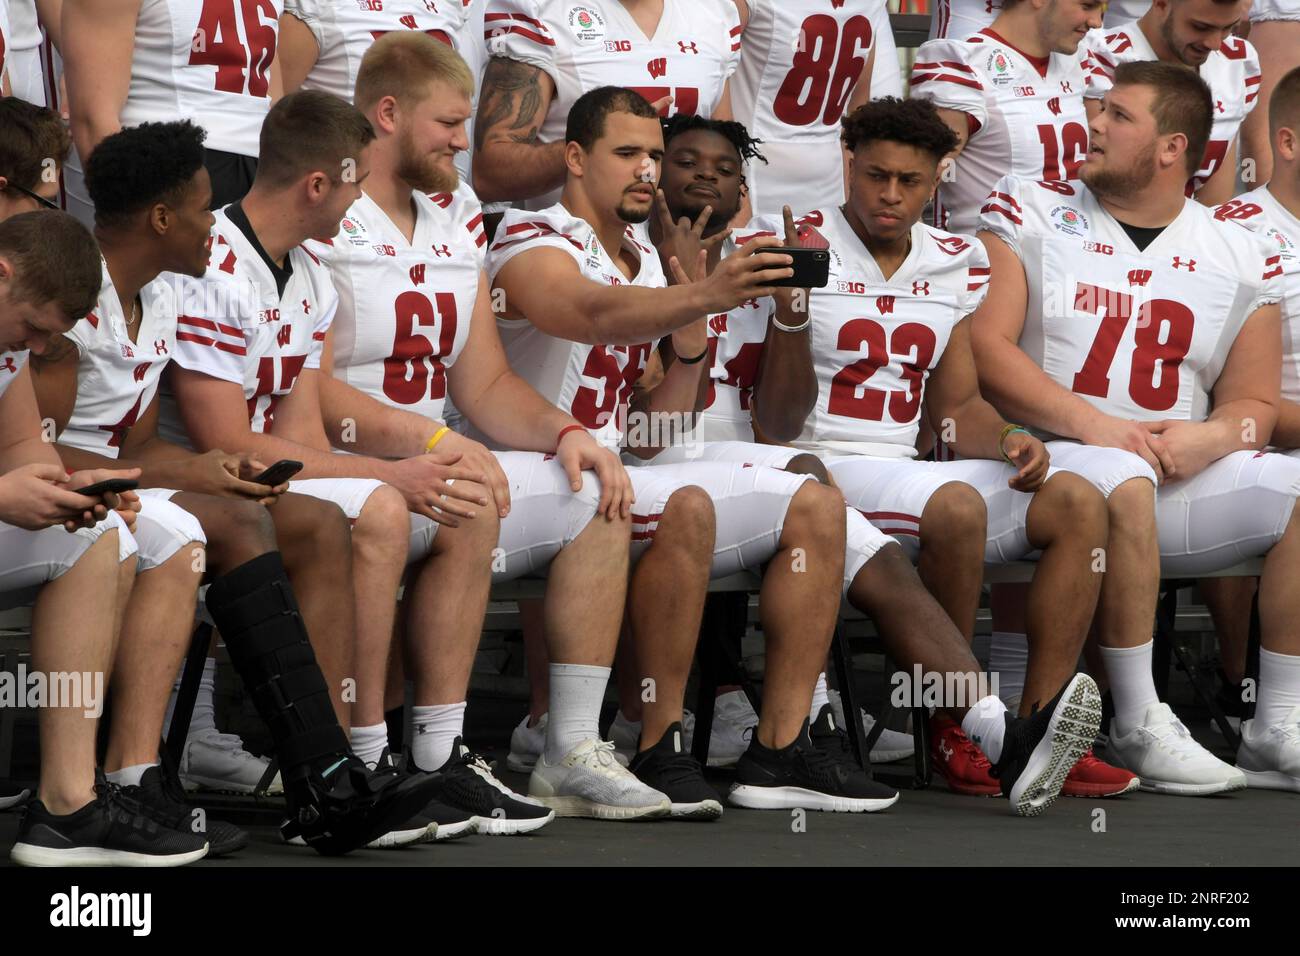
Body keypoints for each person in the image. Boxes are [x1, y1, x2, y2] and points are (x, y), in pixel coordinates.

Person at [972, 60, 1294, 794]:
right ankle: (1138, 717)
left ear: (1172, 147)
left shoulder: (1241, 247)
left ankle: (1277, 724)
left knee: (1297, 487)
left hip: (1165, 472)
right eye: (1099, 109)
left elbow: (1255, 406)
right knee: (1120, 472)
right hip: (1048, 466)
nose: (1095, 123)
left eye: (1119, 115)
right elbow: (988, 350)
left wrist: (1208, 438)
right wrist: (1097, 426)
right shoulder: (1027, 206)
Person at [0, 209, 204, 866]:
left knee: (101, 534)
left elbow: (22, 444)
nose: (33, 347)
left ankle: (68, 803)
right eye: (32, 327)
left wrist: (62, 487)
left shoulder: (7, 340)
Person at [473, 0, 742, 207]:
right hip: (574, 246)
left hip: (682, 245)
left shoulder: (714, 12)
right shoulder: (542, 9)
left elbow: (728, 157)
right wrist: (601, 143)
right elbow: (491, 175)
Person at [61, 0, 285, 222]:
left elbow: (269, 89)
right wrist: (131, 220)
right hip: (167, 165)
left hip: (262, 168)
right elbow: (92, 120)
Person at [910, 0, 1104, 234]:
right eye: (1087, 5)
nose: (1096, 22)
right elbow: (915, 180)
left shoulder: (1078, 59)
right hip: (995, 255)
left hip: (1076, 251)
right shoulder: (964, 63)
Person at [1082, 0, 1259, 206]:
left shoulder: (1236, 60)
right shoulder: (1102, 57)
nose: (1215, 43)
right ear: (1161, 4)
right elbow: (1100, 179)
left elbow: (1214, 203)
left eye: (1229, 28)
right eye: (1200, 27)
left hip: (1189, 228)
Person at [726, 0, 881, 217]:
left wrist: (853, 193)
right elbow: (715, 87)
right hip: (753, 178)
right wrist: (736, 193)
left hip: (832, 182)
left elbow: (856, 113)